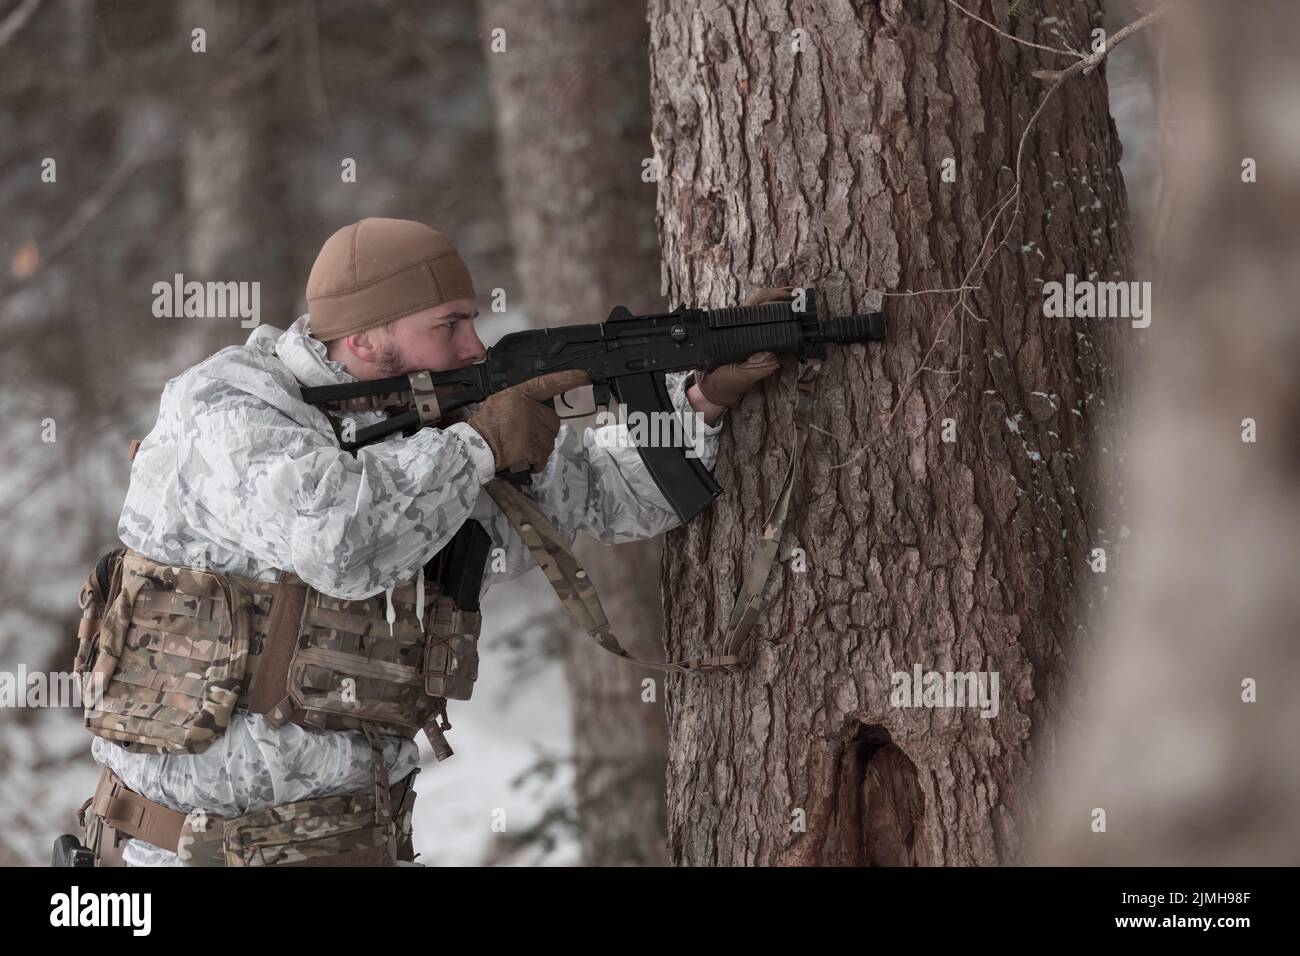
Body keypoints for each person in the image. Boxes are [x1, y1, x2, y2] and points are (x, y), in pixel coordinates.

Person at [76, 217, 779, 866]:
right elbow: (339, 542)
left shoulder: (423, 435)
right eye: (448, 325)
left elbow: (594, 494)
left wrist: (696, 404)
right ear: (364, 337)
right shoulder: (227, 409)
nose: (474, 347)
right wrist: (475, 446)